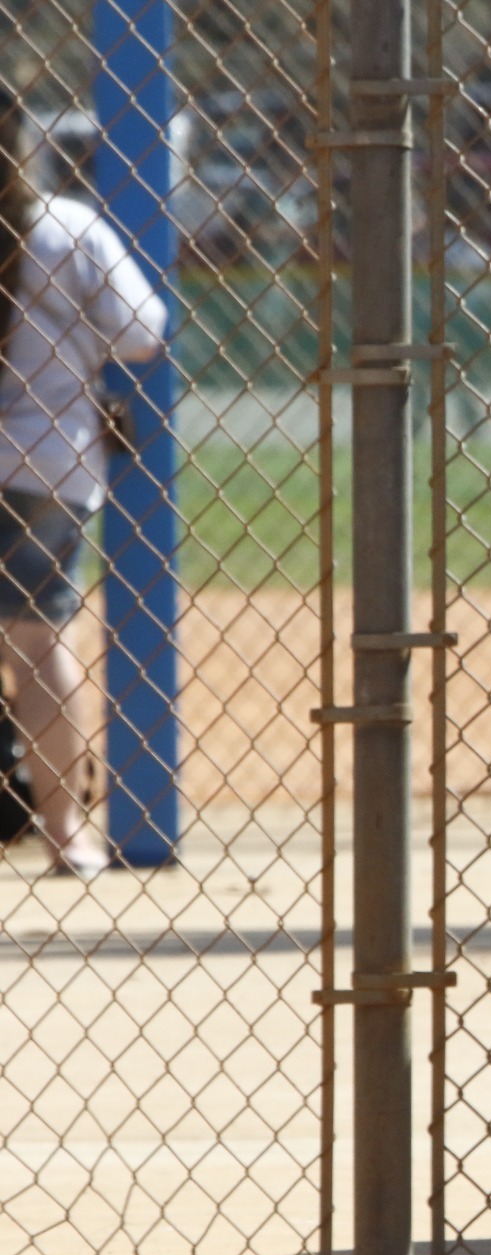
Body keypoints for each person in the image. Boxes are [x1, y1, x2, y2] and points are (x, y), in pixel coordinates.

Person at [0, 89, 167, 877]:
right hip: (42, 461)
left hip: (39, 459)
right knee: (39, 646)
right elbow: (142, 334)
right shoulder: (67, 227)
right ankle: (67, 834)